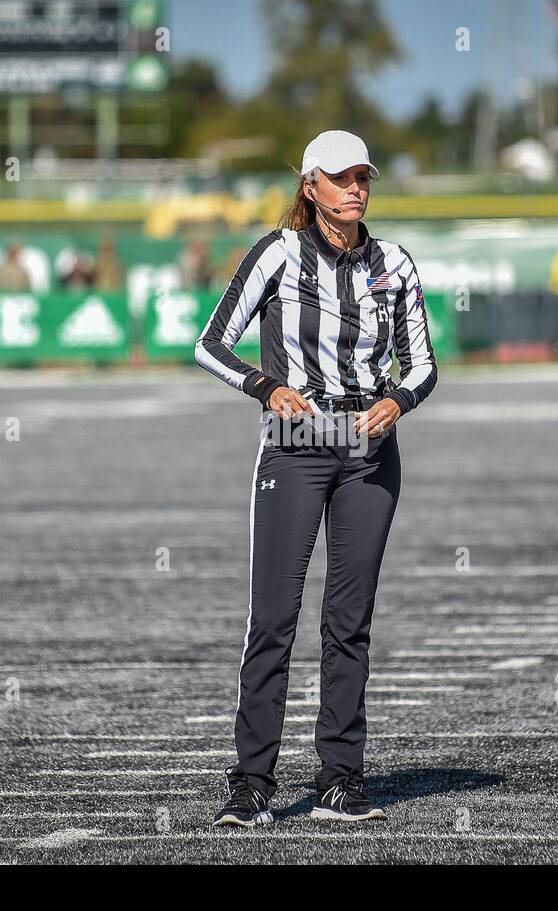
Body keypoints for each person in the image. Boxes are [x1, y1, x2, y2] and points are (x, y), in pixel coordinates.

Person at [194, 129, 438, 828]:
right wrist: (264, 387)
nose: (356, 187)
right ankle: (251, 782)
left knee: (349, 621)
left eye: (364, 176)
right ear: (311, 186)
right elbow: (210, 342)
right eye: (342, 177)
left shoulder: (393, 262)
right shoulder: (276, 251)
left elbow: (423, 363)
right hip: (296, 445)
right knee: (273, 619)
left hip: (369, 449)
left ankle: (340, 778)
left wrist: (400, 399)